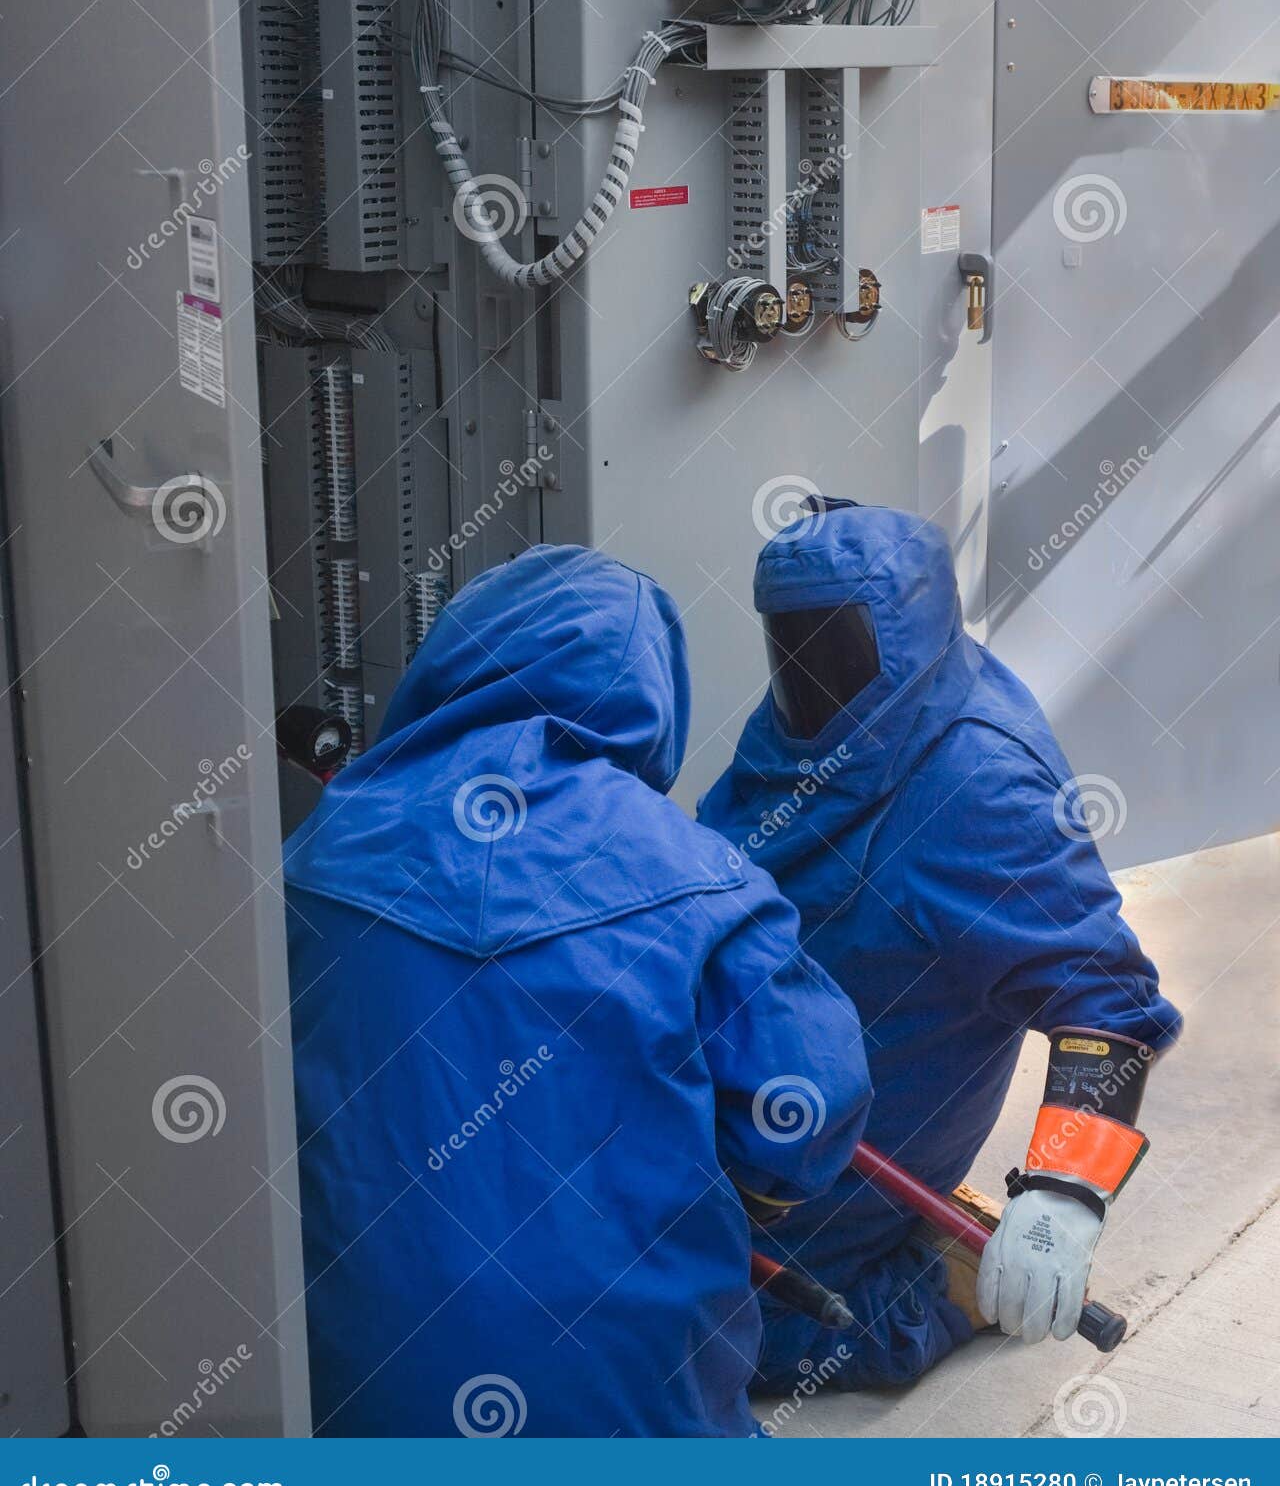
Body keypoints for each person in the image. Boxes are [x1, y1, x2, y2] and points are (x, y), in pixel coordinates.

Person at [283, 545, 873, 1437]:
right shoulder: (699, 875)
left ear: (454, 655)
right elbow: (813, 1103)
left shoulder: (312, 855)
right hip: (632, 1405)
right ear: (651, 692)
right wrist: (721, 1187)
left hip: (344, 1392)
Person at [698, 500, 1183, 1390]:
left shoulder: (979, 787)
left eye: (836, 645)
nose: (808, 672)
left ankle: (933, 1293)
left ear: (907, 636)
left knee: (686, 1337)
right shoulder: (802, 731)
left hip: (828, 1166)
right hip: (733, 1097)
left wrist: (1064, 1193)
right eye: (790, 642)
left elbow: (1109, 1005)